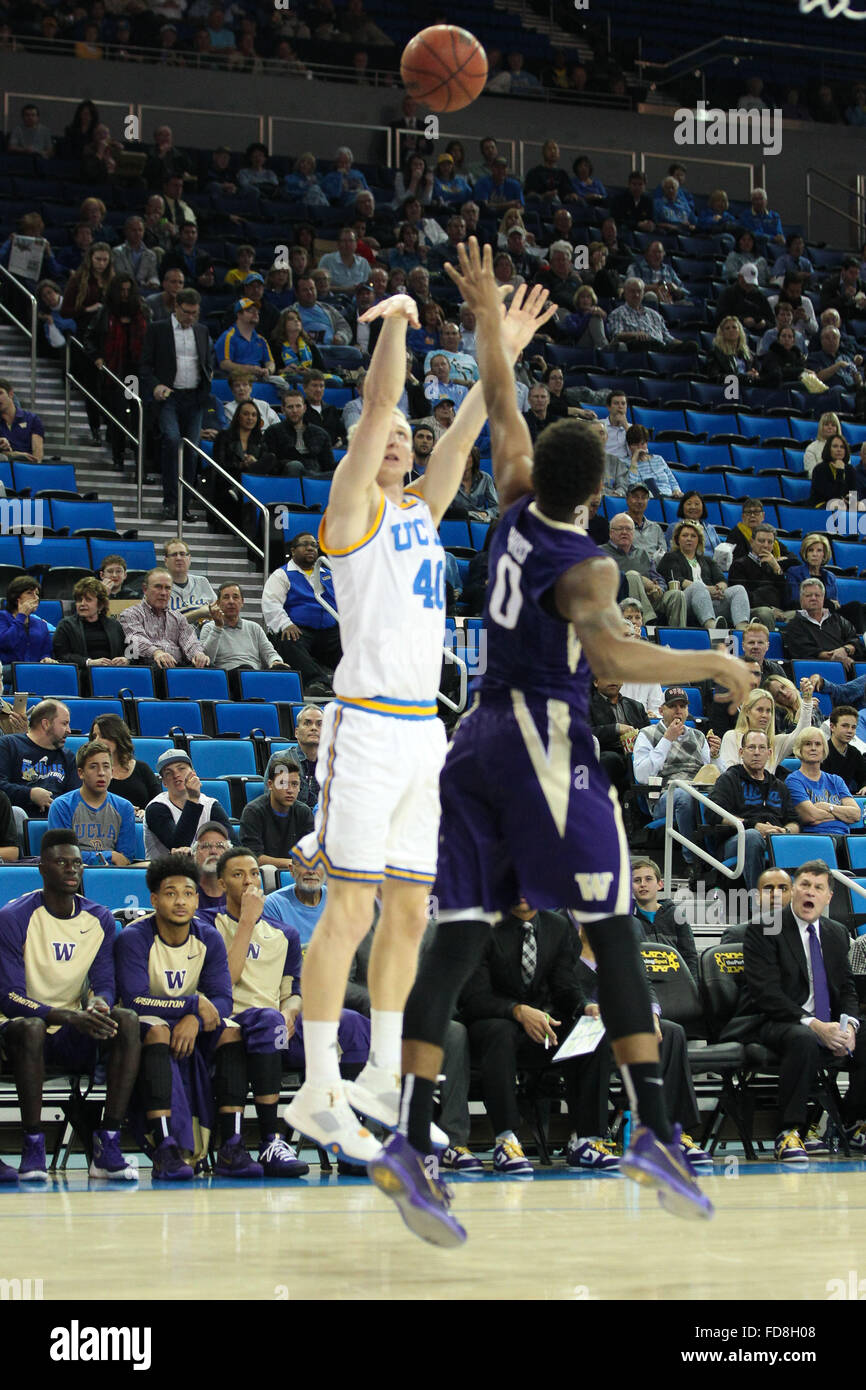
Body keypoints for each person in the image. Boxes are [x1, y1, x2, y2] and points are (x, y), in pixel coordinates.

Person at [368, 239, 751, 1245]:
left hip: (473, 738)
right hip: (541, 741)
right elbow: (615, 663)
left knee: (457, 938)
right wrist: (712, 666)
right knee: (615, 920)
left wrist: (491, 315)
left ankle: (407, 1139)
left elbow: (499, 396)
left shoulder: (507, 494)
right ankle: (655, 1130)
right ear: (601, 489)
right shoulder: (587, 564)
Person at [282, 269, 558, 1172]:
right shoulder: (351, 516)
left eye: (408, 437)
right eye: (388, 437)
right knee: (350, 907)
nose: (400, 441)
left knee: (409, 915)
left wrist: (500, 358)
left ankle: (380, 1081)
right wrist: (398, 324)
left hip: (422, 733)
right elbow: (377, 405)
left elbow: (467, 430)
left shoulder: (422, 516)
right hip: (363, 725)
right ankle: (320, 1088)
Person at [0, 830, 140, 1182]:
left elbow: (105, 984)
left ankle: (107, 1145)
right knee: (31, 1028)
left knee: (125, 1019)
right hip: (18, 1029)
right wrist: (68, 1016)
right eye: (61, 862)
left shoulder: (99, 919)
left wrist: (97, 1006)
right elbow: (10, 996)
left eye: (76, 862)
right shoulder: (14, 917)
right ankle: (34, 1148)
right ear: (42, 868)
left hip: (71, 1028)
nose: (71, 869)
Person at [721, 860, 866, 1164]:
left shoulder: (837, 933)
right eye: (804, 885)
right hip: (771, 1020)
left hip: (822, 1023)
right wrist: (816, 1026)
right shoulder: (764, 928)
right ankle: (789, 1131)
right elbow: (766, 994)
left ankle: (854, 1122)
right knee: (801, 1036)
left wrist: (849, 1026)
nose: (809, 892)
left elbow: (847, 989)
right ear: (794, 890)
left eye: (818, 887)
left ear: (828, 897)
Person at [460, 902, 616, 1177]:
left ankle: (587, 1139)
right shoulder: (481, 925)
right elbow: (473, 997)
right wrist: (517, 1011)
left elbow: (564, 986)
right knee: (499, 1031)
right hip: (494, 1022)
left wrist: (583, 1007)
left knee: (591, 1030)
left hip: (543, 1027)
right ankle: (506, 1140)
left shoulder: (558, 926)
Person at [115, 854, 232, 1179]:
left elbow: (223, 999)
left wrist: (194, 1018)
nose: (181, 901)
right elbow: (136, 1001)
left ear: (197, 897)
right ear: (154, 899)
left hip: (189, 1028)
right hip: (142, 1033)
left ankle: (233, 1145)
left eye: (188, 893)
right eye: (171, 893)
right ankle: (166, 1146)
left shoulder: (208, 937)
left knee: (232, 1032)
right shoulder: (133, 938)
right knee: (157, 1032)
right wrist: (192, 1005)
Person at [197, 848, 310, 1176]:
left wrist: (290, 1013)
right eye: (238, 875)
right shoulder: (205, 924)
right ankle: (270, 1140)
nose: (248, 881)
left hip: (274, 1025)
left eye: (253, 874)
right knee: (263, 1020)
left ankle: (349, 1140)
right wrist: (246, 920)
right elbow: (225, 982)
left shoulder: (284, 933)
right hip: (227, 1020)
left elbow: (292, 993)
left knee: (350, 1027)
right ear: (221, 883)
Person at [139, 289, 215, 521]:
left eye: (194, 313)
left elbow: (206, 361)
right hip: (169, 396)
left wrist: (208, 378)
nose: (190, 317)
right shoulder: (157, 329)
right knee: (172, 441)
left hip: (194, 398)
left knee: (191, 451)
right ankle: (170, 501)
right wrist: (155, 386)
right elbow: (144, 365)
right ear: (176, 307)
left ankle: (184, 505)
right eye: (186, 312)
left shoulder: (202, 331)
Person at [633, 688, 722, 880]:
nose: (678, 710)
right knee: (682, 794)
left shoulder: (698, 736)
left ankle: (719, 857)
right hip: (665, 797)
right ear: (662, 709)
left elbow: (711, 773)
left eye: (682, 706)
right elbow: (641, 775)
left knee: (720, 796)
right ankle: (692, 862)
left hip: (698, 791)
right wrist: (667, 740)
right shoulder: (647, 734)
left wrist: (716, 756)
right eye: (672, 706)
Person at [708, 731, 800, 889]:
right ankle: (757, 902)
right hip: (737, 839)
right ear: (741, 752)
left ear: (769, 753)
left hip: (774, 839)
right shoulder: (729, 779)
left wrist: (784, 831)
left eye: (761, 748)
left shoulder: (779, 786)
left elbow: (795, 821)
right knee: (753, 836)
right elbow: (714, 814)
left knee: (809, 842)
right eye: (751, 747)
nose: (757, 752)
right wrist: (754, 826)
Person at [260, 534, 340, 695]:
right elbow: (271, 604)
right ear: (293, 550)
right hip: (300, 631)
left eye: (313, 545)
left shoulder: (329, 573)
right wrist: (285, 624)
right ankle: (318, 682)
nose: (310, 548)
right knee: (287, 639)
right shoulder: (282, 575)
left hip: (330, 631)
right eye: (304, 544)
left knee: (355, 642)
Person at [47, 739, 137, 865]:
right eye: (93, 767)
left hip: (112, 875)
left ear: (111, 773)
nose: (101, 773)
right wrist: (109, 855)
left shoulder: (124, 807)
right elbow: (61, 854)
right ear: (81, 773)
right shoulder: (62, 806)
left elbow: (125, 858)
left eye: (106, 767)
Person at [199, 582, 291, 696]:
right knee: (244, 670)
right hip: (227, 678)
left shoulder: (254, 627)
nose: (231, 601)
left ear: (242, 602)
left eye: (235, 597)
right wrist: (218, 627)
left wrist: (275, 661)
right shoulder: (209, 627)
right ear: (218, 603)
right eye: (226, 597)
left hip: (254, 675)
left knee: (283, 670)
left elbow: (270, 653)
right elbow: (206, 659)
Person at [658, 521, 750, 631]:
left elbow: (721, 579)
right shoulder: (670, 557)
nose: (689, 539)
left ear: (699, 540)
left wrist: (718, 589)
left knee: (738, 589)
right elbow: (678, 580)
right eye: (685, 535)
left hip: (710, 600)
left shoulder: (707, 560)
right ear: (677, 539)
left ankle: (742, 628)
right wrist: (706, 589)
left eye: (693, 536)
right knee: (698, 586)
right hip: (684, 602)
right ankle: (711, 626)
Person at [144, 747, 234, 860]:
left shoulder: (211, 805)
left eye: (181, 769)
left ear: (194, 774)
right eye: (168, 773)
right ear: (164, 783)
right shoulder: (156, 808)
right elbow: (178, 845)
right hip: (166, 873)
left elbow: (234, 845)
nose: (176, 775)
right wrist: (193, 800)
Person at [603, 514, 685, 627]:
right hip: (620, 600)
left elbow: (658, 578)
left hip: (649, 598)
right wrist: (641, 580)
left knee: (677, 595)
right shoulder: (601, 553)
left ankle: (677, 636)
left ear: (633, 533)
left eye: (628, 529)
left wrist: (659, 588)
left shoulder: (643, 553)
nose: (624, 532)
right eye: (620, 529)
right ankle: (645, 623)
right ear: (611, 533)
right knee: (632, 576)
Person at [120, 568, 210, 671]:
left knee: (208, 666)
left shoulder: (178, 617)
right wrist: (157, 652)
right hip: (150, 666)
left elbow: (190, 641)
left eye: (167, 588)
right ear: (145, 589)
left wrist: (198, 654)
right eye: (158, 587)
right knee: (160, 665)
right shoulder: (130, 614)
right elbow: (136, 639)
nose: (163, 593)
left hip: (178, 666)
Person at [0, 700, 77, 816]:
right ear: (46, 724)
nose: (69, 730)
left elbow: (75, 798)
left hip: (56, 820)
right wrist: (30, 794)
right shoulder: (9, 745)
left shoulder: (68, 757)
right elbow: (1, 785)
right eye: (64, 723)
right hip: (17, 819)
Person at [239, 753, 314, 871]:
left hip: (298, 873)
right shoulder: (253, 812)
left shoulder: (304, 812)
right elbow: (253, 858)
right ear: (270, 784)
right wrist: (292, 862)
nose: (290, 790)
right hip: (264, 875)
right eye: (282, 783)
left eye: (294, 784)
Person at [718, 684, 813, 773]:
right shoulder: (732, 737)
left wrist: (807, 701)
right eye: (760, 710)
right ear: (747, 711)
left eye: (768, 711)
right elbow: (728, 773)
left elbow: (802, 735)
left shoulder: (775, 742)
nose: (764, 715)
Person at [786, 729, 862, 837]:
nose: (813, 748)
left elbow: (856, 814)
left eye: (818, 744)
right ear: (800, 750)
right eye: (808, 744)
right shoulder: (794, 781)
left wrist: (827, 807)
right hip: (816, 838)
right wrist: (842, 815)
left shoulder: (836, 780)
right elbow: (811, 816)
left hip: (844, 838)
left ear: (823, 750)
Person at [631, 859, 699, 979]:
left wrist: (692, 990)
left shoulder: (676, 915)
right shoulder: (627, 918)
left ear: (660, 884)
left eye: (648, 879)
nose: (642, 884)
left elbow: (690, 957)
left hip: (675, 984)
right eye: (637, 880)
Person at [783, 578, 866, 671]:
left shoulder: (838, 619)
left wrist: (844, 650)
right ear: (801, 599)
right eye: (808, 595)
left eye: (817, 595)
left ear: (823, 598)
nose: (813, 598)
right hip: (816, 669)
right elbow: (805, 651)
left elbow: (855, 640)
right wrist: (837, 658)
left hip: (849, 665)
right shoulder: (794, 625)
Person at [89, 713, 160, 814]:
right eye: (94, 736)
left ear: (117, 737)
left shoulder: (142, 768)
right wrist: (123, 808)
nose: (96, 741)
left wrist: (147, 812)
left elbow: (159, 803)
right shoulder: (91, 771)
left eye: (103, 736)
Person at [52, 578, 128, 670]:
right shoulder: (66, 625)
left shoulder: (115, 625)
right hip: (82, 676)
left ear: (100, 604)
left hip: (112, 673)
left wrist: (125, 659)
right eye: (79, 600)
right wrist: (88, 662)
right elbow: (61, 655)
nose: (82, 604)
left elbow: (130, 651)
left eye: (88, 600)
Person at [262, 391, 335, 477]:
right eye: (290, 407)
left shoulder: (320, 433)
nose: (294, 410)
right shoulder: (273, 431)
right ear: (283, 409)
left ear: (304, 408)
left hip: (316, 476)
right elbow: (271, 463)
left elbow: (329, 465)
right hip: (288, 475)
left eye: (298, 406)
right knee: (295, 466)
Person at [263, 852, 327, 946]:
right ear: (291, 870)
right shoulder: (272, 905)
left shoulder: (339, 900)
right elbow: (272, 953)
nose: (311, 871)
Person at [0, 576, 53, 667]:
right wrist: (21, 616)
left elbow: (46, 652)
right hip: (8, 670)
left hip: (35, 670)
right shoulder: (2, 617)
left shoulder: (41, 624)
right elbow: (6, 643)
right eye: (29, 593)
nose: (36, 598)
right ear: (16, 597)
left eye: (37, 594)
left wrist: (46, 658)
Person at [162, 540, 217, 622]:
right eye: (174, 554)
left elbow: (218, 610)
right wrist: (198, 613)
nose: (179, 558)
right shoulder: (158, 587)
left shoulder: (202, 582)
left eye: (182, 554)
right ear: (166, 561)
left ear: (189, 558)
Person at [822, 706, 866, 794]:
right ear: (832, 727)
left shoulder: (854, 753)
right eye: (845, 726)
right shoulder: (821, 751)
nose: (850, 731)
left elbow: (864, 777)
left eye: (853, 727)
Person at [0, 380, 44, 465]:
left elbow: (37, 456)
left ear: (11, 394)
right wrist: (14, 455)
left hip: (27, 469)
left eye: (0, 393)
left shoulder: (32, 419)